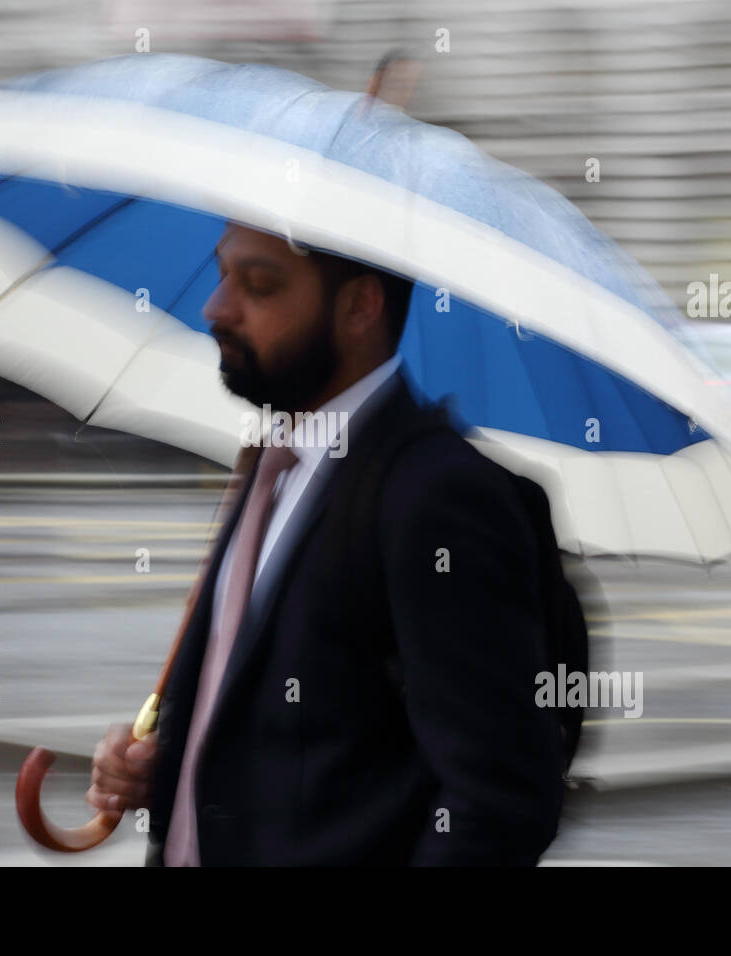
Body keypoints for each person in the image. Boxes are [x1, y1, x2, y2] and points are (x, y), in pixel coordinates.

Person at [88, 221, 569, 865]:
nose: (216, 307)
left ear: (360, 306)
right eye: (223, 273)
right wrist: (172, 769)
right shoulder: (268, 465)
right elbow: (304, 735)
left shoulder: (438, 496)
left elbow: (498, 799)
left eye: (259, 284)